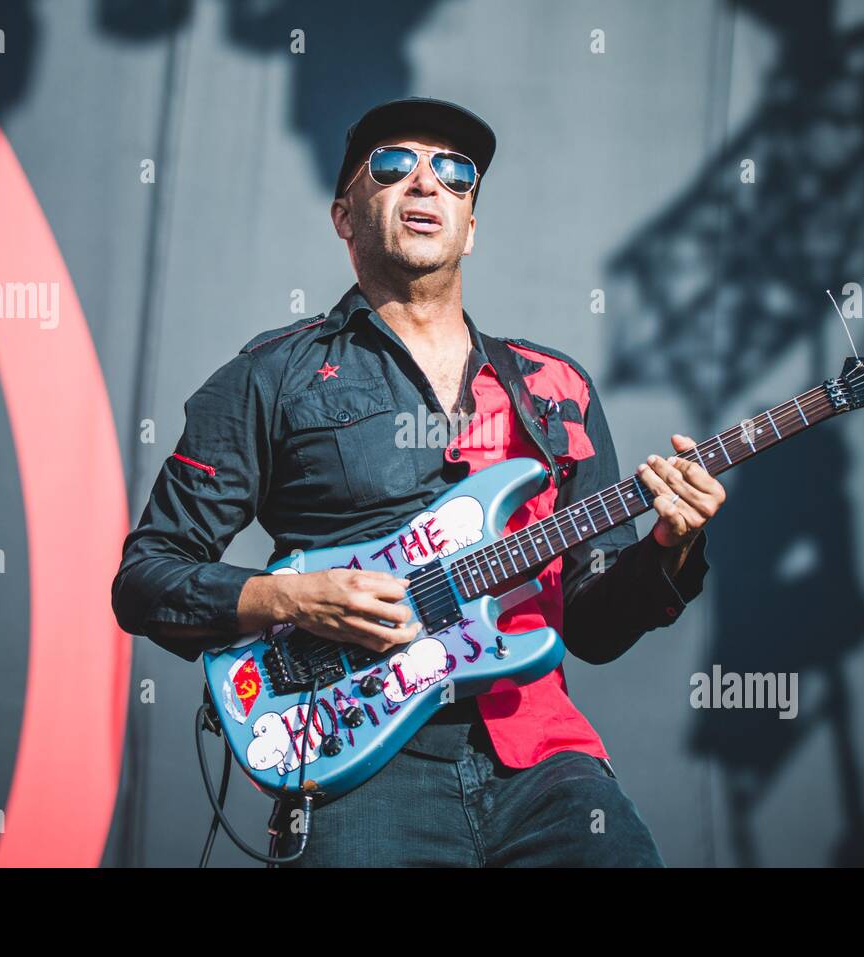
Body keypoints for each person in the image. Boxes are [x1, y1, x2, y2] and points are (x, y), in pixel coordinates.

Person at [111, 97, 727, 867]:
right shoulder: (269, 376)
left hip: (541, 758)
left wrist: (672, 544)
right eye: (395, 166)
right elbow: (146, 577)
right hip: (356, 766)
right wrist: (290, 597)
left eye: (456, 174)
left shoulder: (553, 387)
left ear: (472, 225)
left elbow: (596, 626)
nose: (428, 183)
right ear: (345, 216)